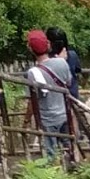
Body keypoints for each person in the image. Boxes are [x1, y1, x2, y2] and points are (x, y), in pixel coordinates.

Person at [47, 26, 90, 154]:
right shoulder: (72, 55)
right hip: (72, 94)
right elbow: (78, 70)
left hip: (55, 97)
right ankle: (74, 149)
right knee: (73, 120)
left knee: (60, 124)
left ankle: (62, 151)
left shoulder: (48, 61)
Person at [27, 31, 71, 162]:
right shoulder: (62, 62)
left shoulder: (33, 72)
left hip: (47, 119)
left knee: (51, 153)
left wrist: (26, 121)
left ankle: (55, 175)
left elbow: (32, 101)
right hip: (64, 114)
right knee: (69, 147)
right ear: (48, 45)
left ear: (30, 49)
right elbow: (68, 83)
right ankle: (72, 169)